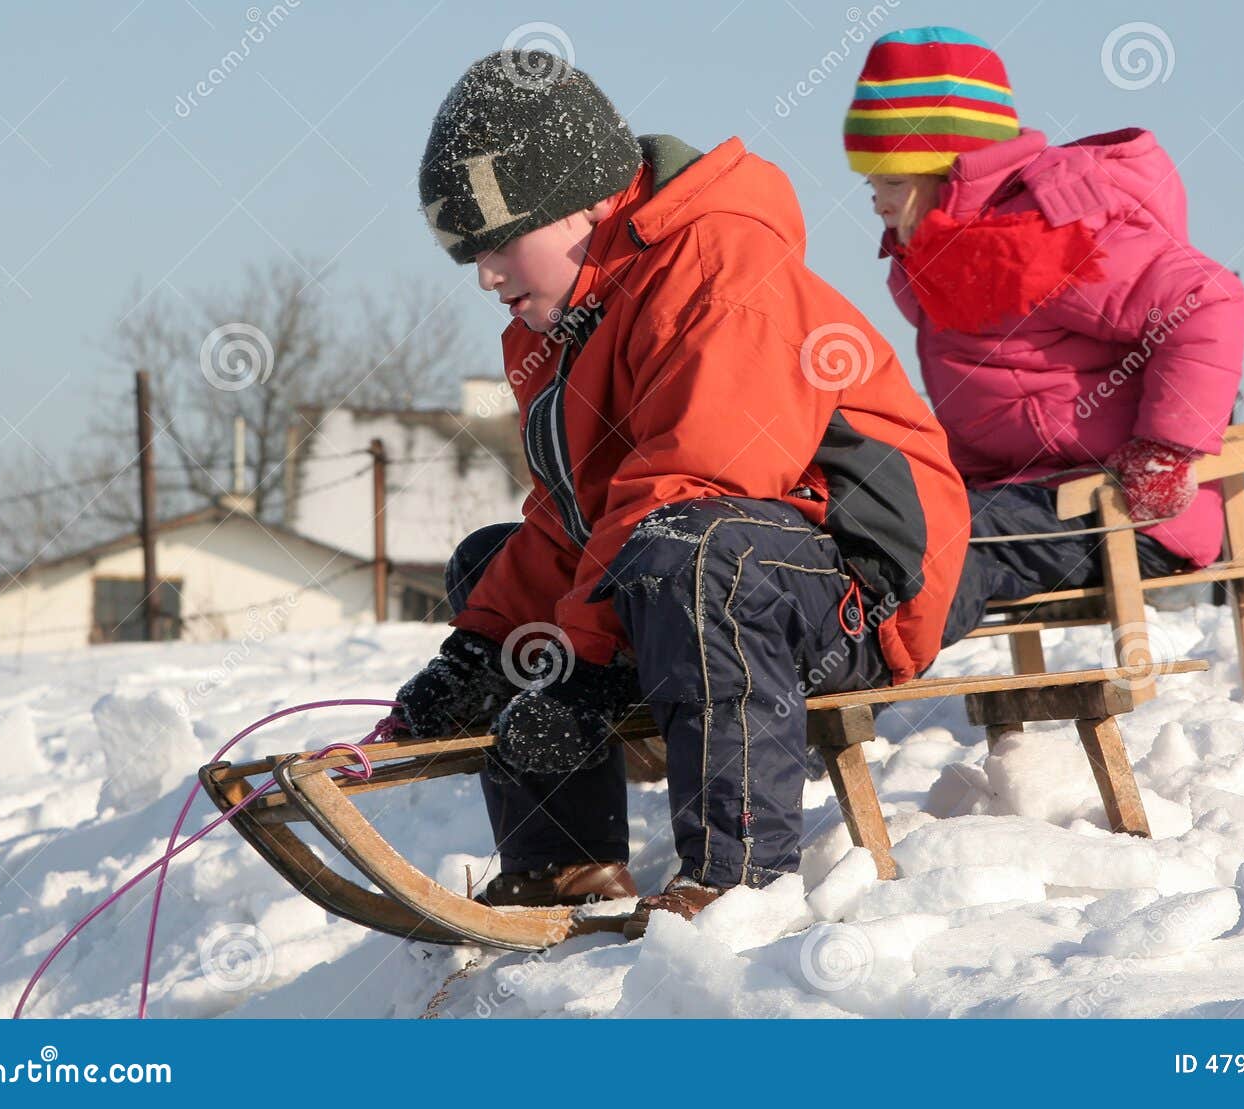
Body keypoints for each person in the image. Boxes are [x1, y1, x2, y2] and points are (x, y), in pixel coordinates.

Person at [395, 50, 970, 936]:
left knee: (696, 554)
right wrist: (476, 652)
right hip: (703, 545)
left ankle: (738, 877)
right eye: (466, 253)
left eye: (499, 244)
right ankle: (564, 860)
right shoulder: (565, 322)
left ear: (582, 205)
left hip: (856, 576)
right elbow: (576, 515)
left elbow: (702, 473)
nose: (485, 275)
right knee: (495, 562)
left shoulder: (719, 265)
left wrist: (582, 670)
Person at [844, 27, 1244, 637]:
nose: (876, 203)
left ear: (949, 173)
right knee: (870, 517)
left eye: (893, 183)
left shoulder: (1047, 234)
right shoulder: (945, 252)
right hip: (1026, 496)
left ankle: (836, 687)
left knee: (928, 544)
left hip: (1118, 511)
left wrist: (1165, 452)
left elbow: (1207, 298)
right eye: (871, 184)